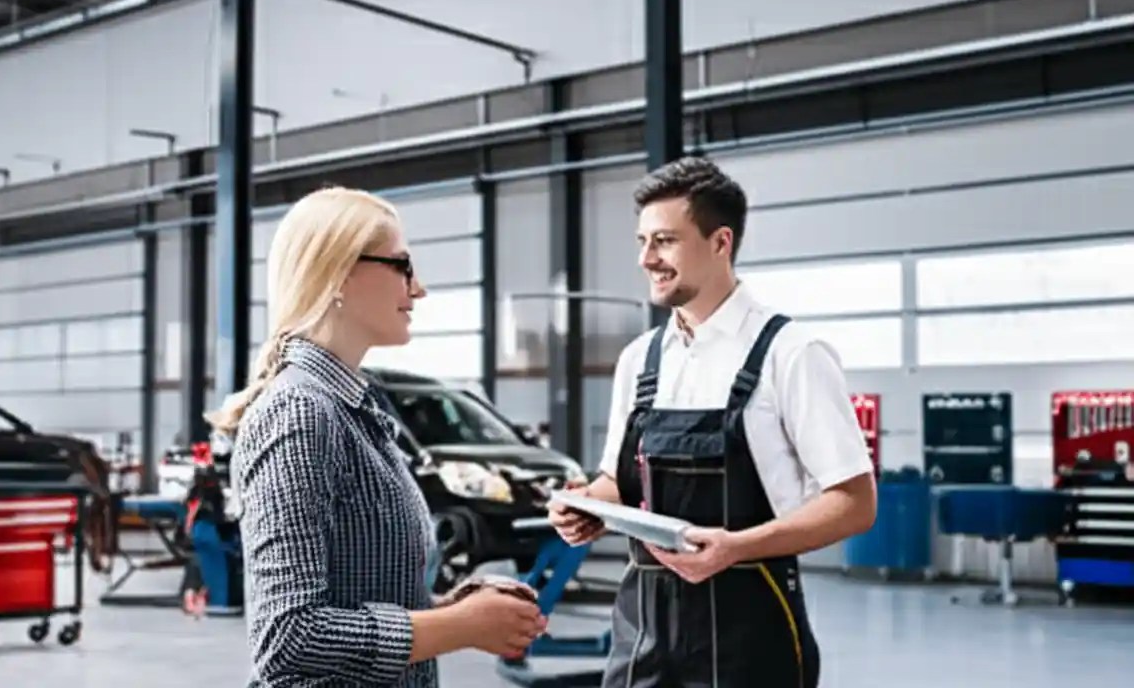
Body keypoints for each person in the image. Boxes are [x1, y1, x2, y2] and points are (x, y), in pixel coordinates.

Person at [548, 157, 878, 687]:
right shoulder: (640, 359)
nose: (646, 259)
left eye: (664, 241)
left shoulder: (791, 354)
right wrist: (588, 506)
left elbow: (855, 502)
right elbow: (617, 480)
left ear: (720, 242)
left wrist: (737, 548)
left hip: (752, 631)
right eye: (642, 241)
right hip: (643, 634)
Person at [206, 186, 546, 687]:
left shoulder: (352, 408)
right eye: (402, 266)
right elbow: (289, 638)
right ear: (340, 272)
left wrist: (452, 609)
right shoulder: (300, 413)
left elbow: (353, 594)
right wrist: (457, 627)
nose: (419, 288)